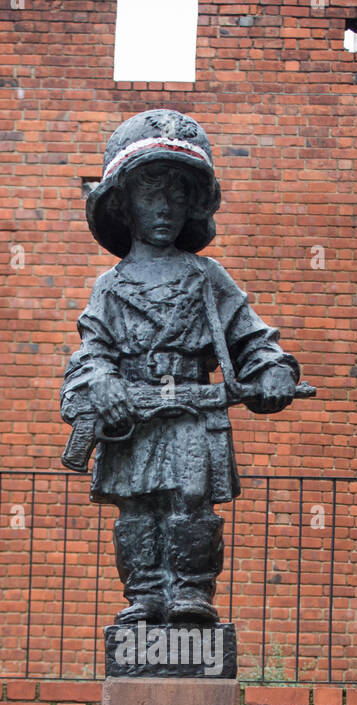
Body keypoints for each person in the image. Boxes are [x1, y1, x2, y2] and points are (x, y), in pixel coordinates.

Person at [61, 108, 301, 626]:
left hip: (195, 415)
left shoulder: (208, 276)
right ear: (125, 207)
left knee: (191, 506)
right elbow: (90, 354)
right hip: (133, 419)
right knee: (136, 508)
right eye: (151, 195)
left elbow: (252, 339)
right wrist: (102, 382)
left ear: (193, 204)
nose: (165, 208)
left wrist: (274, 370)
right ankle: (144, 595)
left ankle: (191, 592)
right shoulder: (110, 286)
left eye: (176, 195)